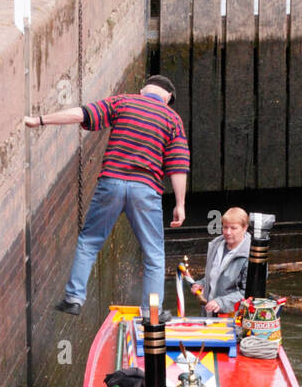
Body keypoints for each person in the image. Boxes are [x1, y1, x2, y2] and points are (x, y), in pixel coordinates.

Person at [24, 76, 189, 316]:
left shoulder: (123, 103)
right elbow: (178, 165)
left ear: (144, 89)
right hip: (145, 189)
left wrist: (39, 120)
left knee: (89, 242)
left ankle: (74, 298)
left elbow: (81, 114)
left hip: (111, 183)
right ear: (168, 98)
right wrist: (180, 204)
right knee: (153, 254)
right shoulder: (172, 118)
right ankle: (150, 313)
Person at [194, 208, 250, 315]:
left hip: (233, 318)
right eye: (225, 227)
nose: (228, 232)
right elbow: (216, 276)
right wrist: (201, 284)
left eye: (233, 228)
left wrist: (221, 302)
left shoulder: (250, 256)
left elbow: (249, 294)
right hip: (210, 313)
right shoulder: (215, 246)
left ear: (245, 228)